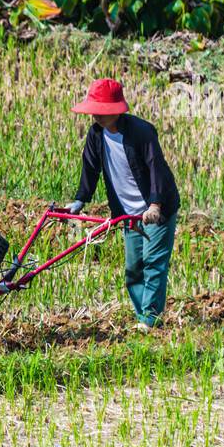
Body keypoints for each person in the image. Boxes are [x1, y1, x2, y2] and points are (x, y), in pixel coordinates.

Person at [65, 78, 181, 331]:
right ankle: (146, 317)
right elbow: (90, 168)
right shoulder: (96, 134)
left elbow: (156, 169)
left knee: (153, 263)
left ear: (116, 109)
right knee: (133, 269)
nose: (95, 115)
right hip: (127, 212)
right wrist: (79, 201)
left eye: (100, 109)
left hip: (156, 209)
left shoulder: (141, 132)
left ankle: (150, 320)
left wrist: (155, 205)